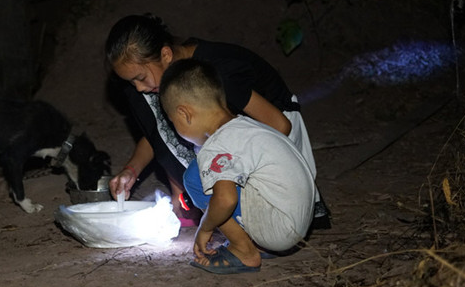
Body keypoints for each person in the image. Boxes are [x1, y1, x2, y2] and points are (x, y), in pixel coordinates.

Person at [104, 14, 328, 228]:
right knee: (145, 103)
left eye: (141, 78)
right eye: (131, 81)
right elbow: (158, 134)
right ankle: (204, 203)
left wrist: (225, 169)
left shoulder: (214, 73)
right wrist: (131, 171)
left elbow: (280, 126)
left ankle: (247, 223)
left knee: (227, 195)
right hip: (232, 138)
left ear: (165, 55)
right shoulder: (156, 85)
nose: (140, 87)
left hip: (272, 135)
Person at [159, 58, 315, 273]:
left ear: (184, 114)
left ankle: (244, 250)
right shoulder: (246, 126)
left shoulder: (219, 143)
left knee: (195, 177)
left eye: (172, 121)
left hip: (279, 230)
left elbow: (226, 199)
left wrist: (205, 228)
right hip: (299, 225)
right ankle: (257, 244)